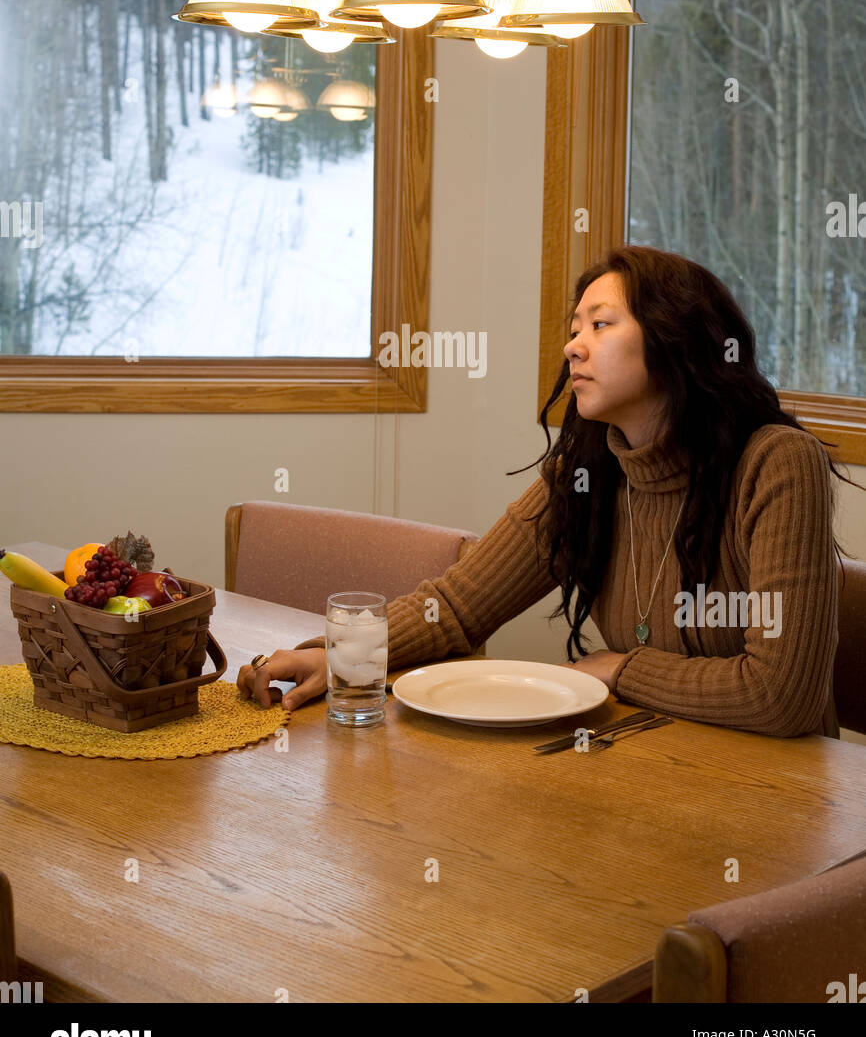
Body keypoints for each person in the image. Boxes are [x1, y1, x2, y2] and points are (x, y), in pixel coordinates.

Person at [238, 245, 859, 737]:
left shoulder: (776, 462)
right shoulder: (589, 468)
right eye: (573, 327)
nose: (572, 346)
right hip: (651, 765)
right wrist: (343, 655)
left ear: (676, 341)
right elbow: (458, 607)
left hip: (780, 800)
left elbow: (783, 698)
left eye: (600, 324)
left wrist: (623, 668)